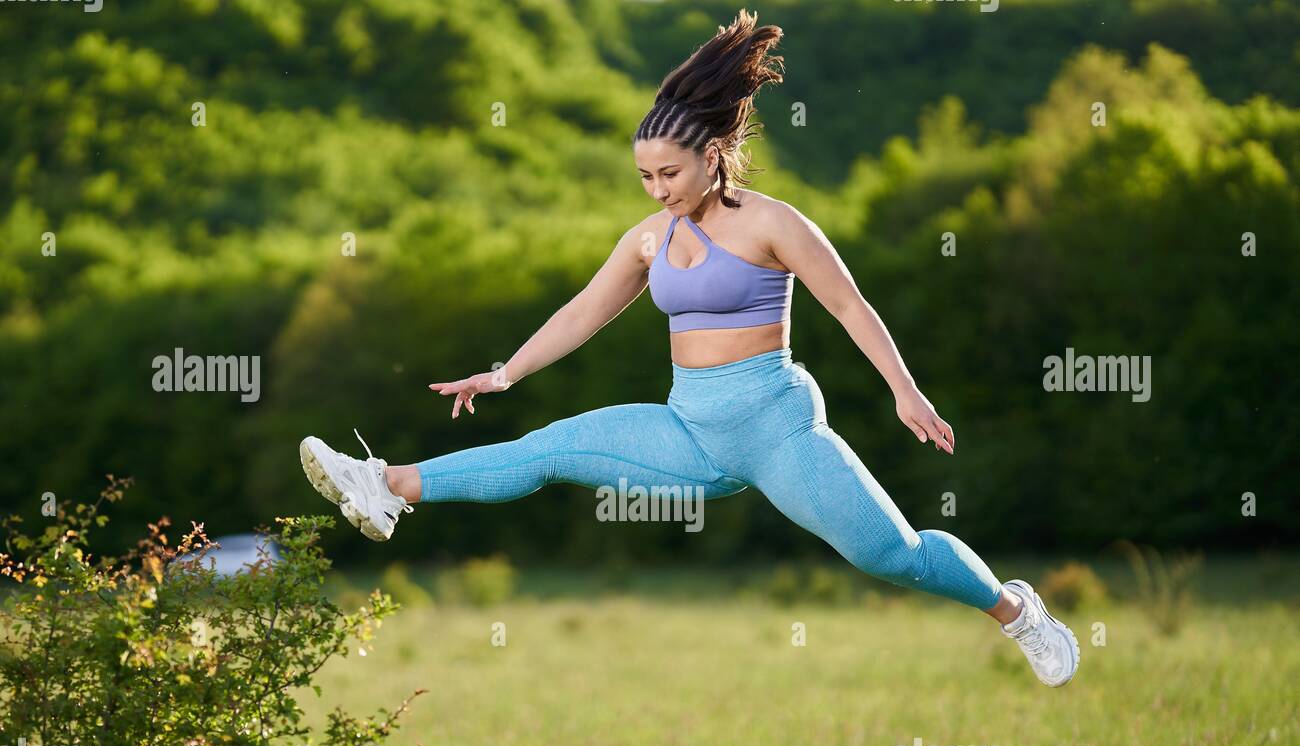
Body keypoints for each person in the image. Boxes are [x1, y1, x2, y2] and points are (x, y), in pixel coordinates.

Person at [299, 9, 1079, 687]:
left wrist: (905, 392)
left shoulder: (774, 224)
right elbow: (582, 313)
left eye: (668, 172)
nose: (657, 189)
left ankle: (1017, 611)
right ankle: (385, 484)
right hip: (689, 432)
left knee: (892, 556)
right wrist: (505, 373)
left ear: (713, 153)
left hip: (778, 431)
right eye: (644, 175)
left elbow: (850, 305)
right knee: (545, 451)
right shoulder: (647, 239)